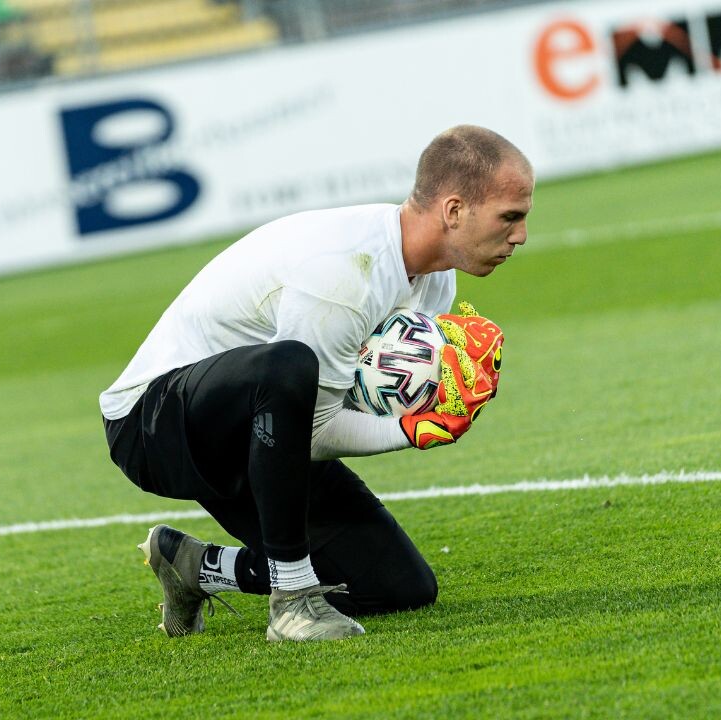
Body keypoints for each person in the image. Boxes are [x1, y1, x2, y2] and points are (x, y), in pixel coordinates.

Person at [100, 125, 534, 642]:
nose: (521, 235)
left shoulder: (436, 277)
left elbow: (325, 407)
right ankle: (292, 604)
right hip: (151, 423)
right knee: (289, 365)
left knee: (399, 587)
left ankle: (196, 567)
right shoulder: (346, 273)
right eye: (510, 216)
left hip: (260, 427)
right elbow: (308, 429)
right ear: (455, 210)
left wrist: (431, 394)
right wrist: (411, 429)